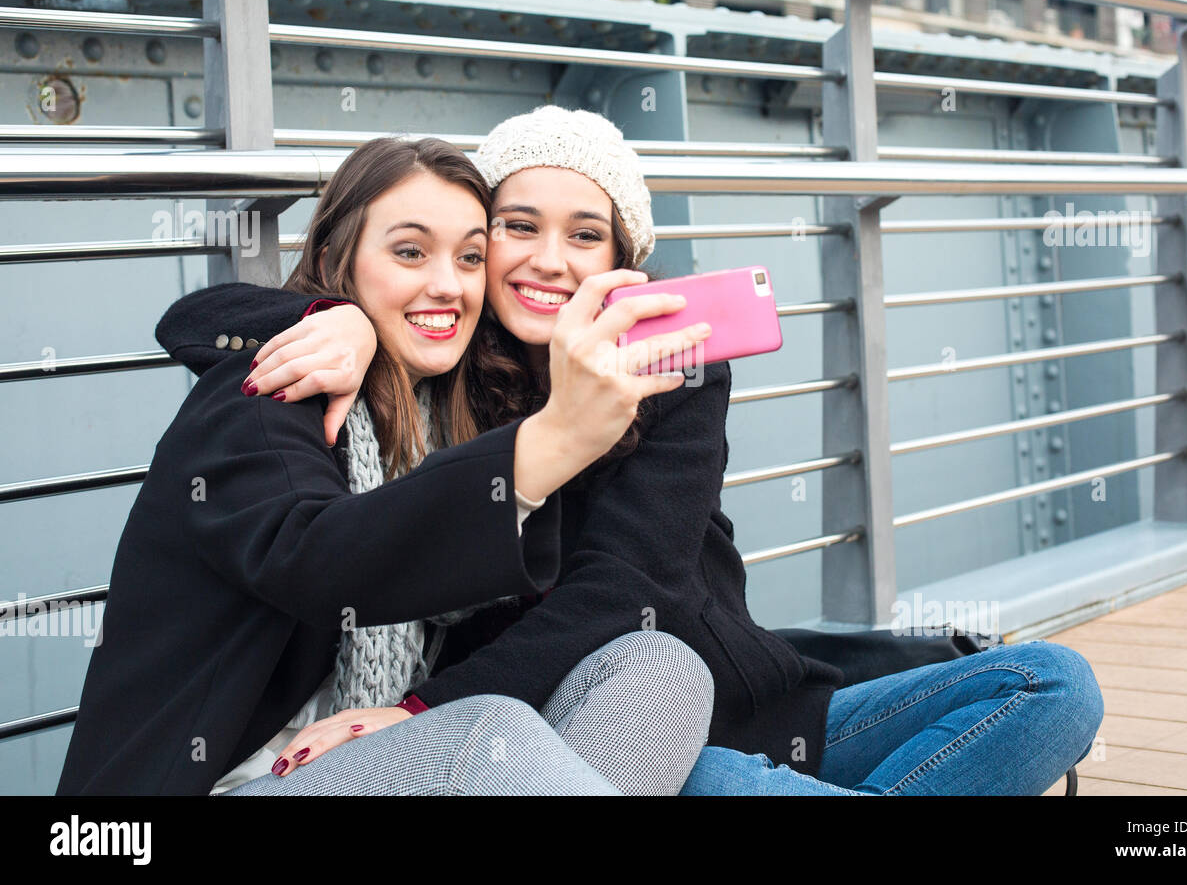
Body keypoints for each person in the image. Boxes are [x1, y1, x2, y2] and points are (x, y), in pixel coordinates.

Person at [155, 106, 1104, 795]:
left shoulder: (676, 370)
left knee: (1054, 684)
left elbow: (635, 586)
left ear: (623, 261)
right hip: (591, 737)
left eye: (585, 234)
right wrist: (344, 320)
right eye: (517, 229)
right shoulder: (442, 369)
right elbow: (208, 320)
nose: (548, 259)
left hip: (749, 706)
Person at [57, 135, 714, 796]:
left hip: (377, 759)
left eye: (469, 258)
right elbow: (319, 559)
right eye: (409, 252)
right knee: (483, 739)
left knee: (661, 669)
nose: (446, 285)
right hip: (220, 787)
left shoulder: (456, 410)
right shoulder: (269, 390)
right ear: (332, 258)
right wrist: (552, 441)